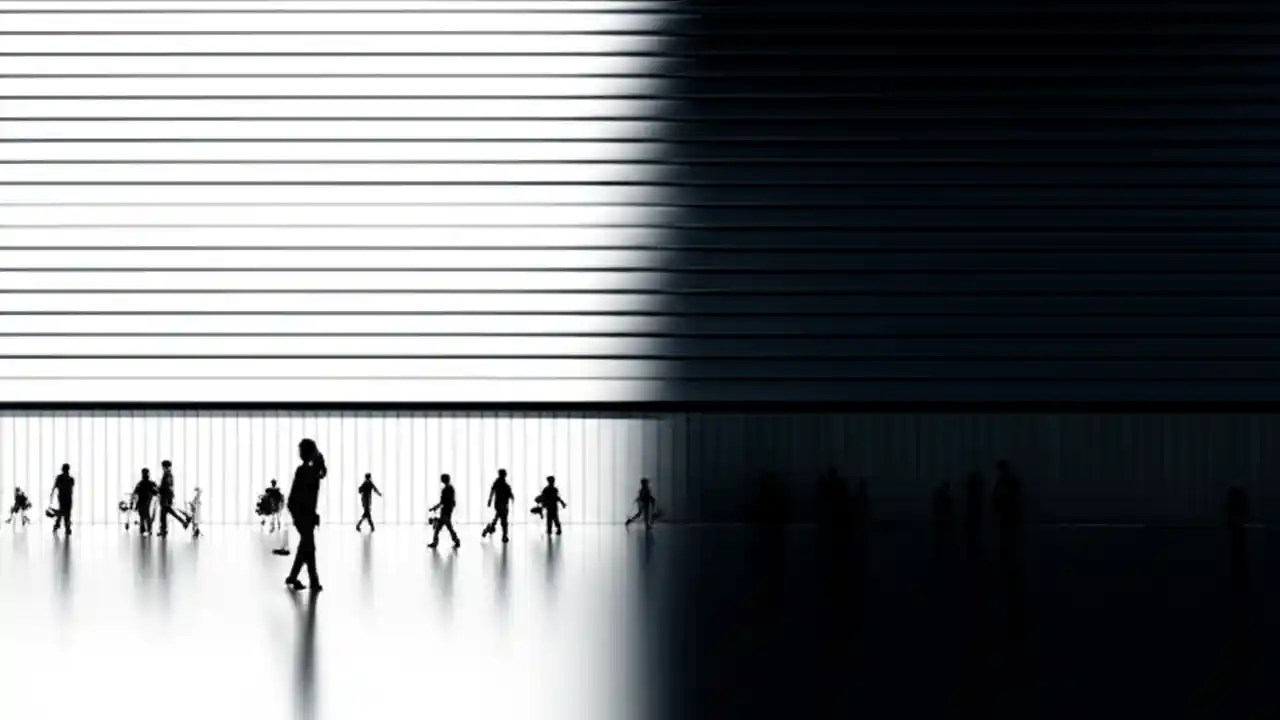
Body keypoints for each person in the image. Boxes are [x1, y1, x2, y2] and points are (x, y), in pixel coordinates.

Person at [285, 439, 326, 592]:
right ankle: (311, 581)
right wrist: (320, 460)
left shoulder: (305, 470)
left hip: (302, 512)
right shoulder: (306, 471)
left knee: (306, 547)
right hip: (303, 513)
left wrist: (319, 460)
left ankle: (295, 577)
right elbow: (320, 476)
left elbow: (321, 474)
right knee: (308, 546)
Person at [157, 460, 191, 537]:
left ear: (164, 467)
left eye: (162, 466)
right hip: (168, 497)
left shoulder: (166, 475)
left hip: (165, 498)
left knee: (167, 512)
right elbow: (169, 486)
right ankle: (164, 530)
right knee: (164, 513)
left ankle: (183, 521)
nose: (162, 468)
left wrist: (158, 488)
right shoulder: (170, 474)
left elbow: (165, 487)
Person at [428, 473, 460, 550]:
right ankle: (455, 541)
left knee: (447, 528)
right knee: (440, 528)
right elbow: (452, 502)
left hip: (445, 512)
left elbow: (442, 502)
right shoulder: (451, 489)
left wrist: (434, 508)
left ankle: (456, 541)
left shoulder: (445, 490)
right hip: (447, 512)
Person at [482, 469, 514, 542]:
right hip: (500, 504)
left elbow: (508, 492)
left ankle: (488, 529)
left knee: (498, 519)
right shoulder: (499, 483)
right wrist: (489, 500)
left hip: (502, 504)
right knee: (503, 520)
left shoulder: (502, 484)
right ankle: (503, 535)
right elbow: (493, 491)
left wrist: (490, 500)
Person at [131, 468, 159, 536]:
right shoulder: (151, 483)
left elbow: (135, 492)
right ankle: (148, 530)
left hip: (143, 501)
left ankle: (143, 530)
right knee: (146, 516)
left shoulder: (140, 483)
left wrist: (133, 501)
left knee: (143, 516)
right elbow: (156, 491)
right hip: (148, 501)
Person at [50, 463, 75, 536]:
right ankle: (66, 527)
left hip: (63, 498)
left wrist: (52, 494)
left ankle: (59, 525)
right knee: (66, 513)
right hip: (67, 498)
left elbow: (55, 486)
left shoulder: (60, 478)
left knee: (62, 512)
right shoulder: (70, 479)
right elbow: (70, 489)